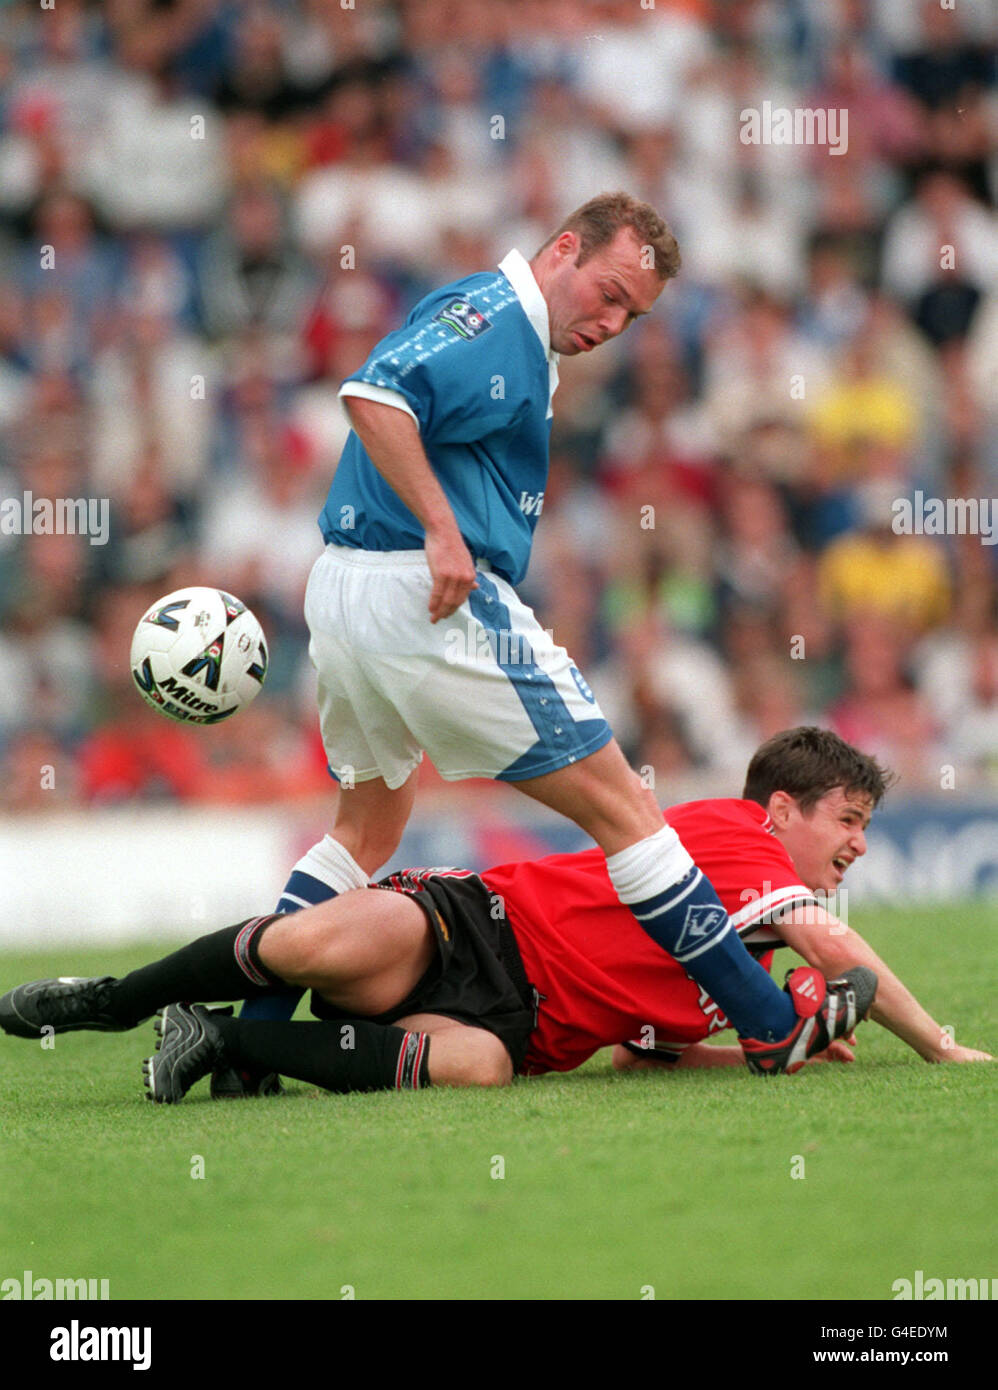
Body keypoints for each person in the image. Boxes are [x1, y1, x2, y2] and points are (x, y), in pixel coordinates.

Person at [229, 192, 816, 1086]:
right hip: (427, 595)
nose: (613, 323)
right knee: (627, 810)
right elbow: (372, 394)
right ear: (565, 250)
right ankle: (767, 1018)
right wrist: (441, 526)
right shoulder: (499, 319)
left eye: (633, 314)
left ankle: (248, 1045)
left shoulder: (503, 323)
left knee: (366, 826)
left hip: (348, 590)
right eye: (609, 292)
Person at [2, 729, 988, 1099]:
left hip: (517, 1028)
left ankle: (215, 1041)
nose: (855, 845)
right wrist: (934, 1045)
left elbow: (645, 1054)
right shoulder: (738, 835)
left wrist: (771, 1052)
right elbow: (839, 942)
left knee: (473, 1069)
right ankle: (112, 1001)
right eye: (847, 821)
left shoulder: (755, 962)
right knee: (305, 941)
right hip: (478, 924)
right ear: (781, 809)